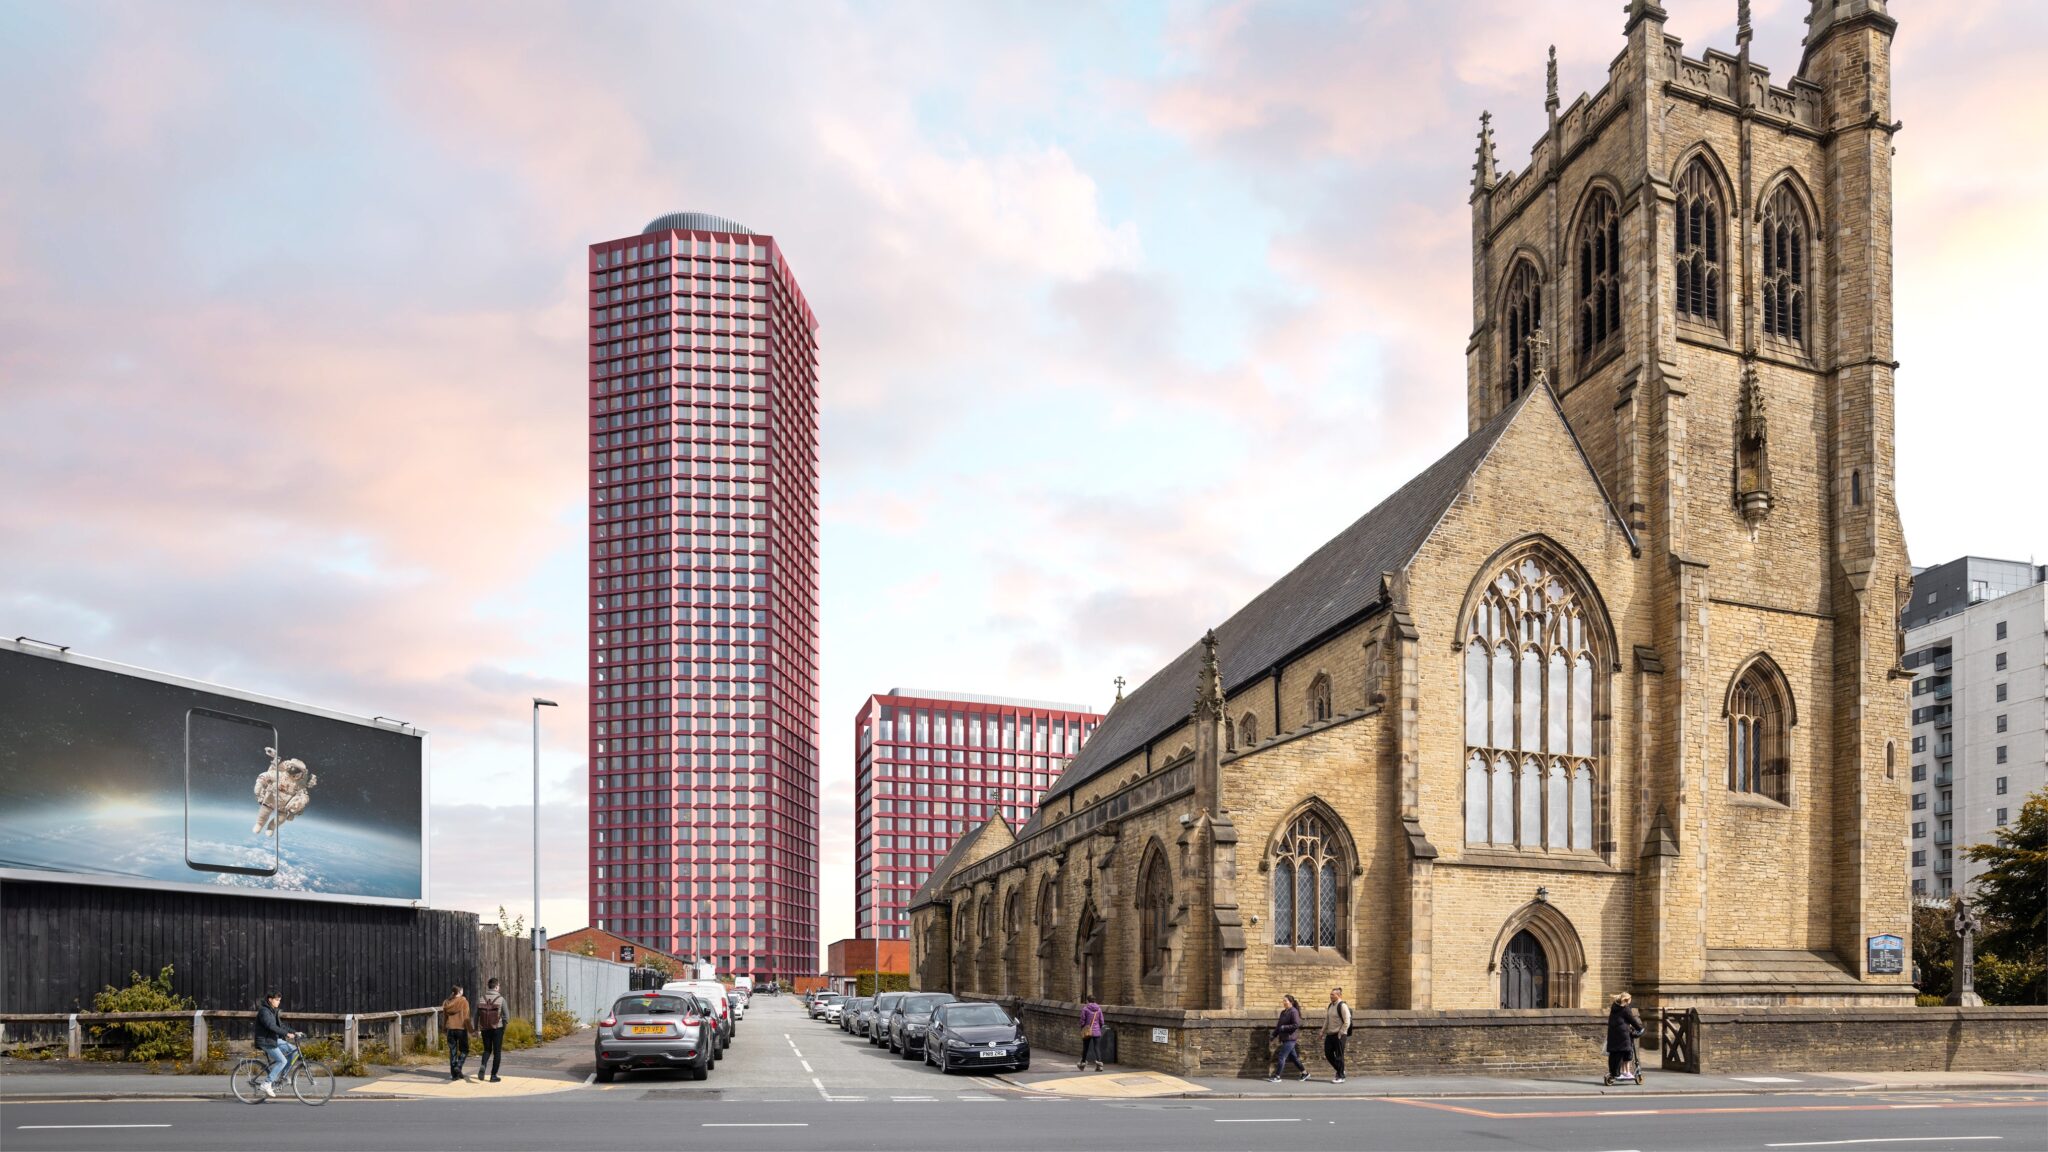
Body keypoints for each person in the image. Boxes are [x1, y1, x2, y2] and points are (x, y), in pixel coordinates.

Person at [254, 992, 303, 1099]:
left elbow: (281, 1026)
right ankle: (266, 1083)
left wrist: (295, 1032)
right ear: (270, 999)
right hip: (265, 1041)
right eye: (277, 1000)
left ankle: (282, 1077)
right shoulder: (264, 1011)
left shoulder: (273, 1011)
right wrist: (286, 1034)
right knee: (282, 1061)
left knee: (294, 1051)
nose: (278, 1002)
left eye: (279, 1000)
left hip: (273, 1039)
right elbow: (271, 1026)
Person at [1605, 991, 1644, 1085]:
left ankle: (1616, 1072)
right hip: (1623, 1035)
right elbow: (1632, 1020)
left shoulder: (1614, 1008)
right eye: (1630, 999)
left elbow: (1620, 1020)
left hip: (1613, 1034)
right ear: (1627, 1000)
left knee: (1615, 1053)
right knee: (1625, 1052)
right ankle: (1623, 1073)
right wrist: (1640, 1028)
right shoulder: (1625, 1009)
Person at [475, 977, 510, 1083]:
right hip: (497, 1028)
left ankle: (483, 1065)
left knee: (487, 1050)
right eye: (498, 986)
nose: (499, 987)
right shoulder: (501, 999)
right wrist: (504, 1027)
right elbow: (506, 1017)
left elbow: (476, 1016)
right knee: (497, 1052)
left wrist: (476, 1028)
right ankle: (493, 1075)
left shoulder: (482, 998)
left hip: (485, 1028)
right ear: (495, 987)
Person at [1268, 994, 1308, 1083]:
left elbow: (1296, 1025)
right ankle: (1305, 1073)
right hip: (1285, 1038)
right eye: (1283, 1001)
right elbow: (1279, 1026)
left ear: (1291, 1002)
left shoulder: (1294, 1011)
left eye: (1285, 1001)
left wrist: (1284, 1027)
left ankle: (1277, 1076)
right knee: (1294, 1058)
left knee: (1282, 1056)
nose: (1284, 1002)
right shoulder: (1283, 1012)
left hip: (1290, 1038)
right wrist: (1274, 1035)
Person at [442, 983, 473, 1082]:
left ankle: (454, 1075)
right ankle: (459, 1066)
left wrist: (444, 1028)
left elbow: (445, 1018)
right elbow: (466, 1018)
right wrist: (471, 1031)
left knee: (453, 1052)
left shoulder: (447, 1002)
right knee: (465, 1050)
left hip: (450, 1029)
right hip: (461, 1029)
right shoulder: (464, 1001)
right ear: (460, 991)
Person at [1323, 986, 1353, 1085]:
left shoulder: (1342, 1006)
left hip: (1339, 1035)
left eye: (1332, 994)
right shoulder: (1330, 1005)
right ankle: (1341, 1070)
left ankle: (1341, 1076)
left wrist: (1341, 1032)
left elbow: (1347, 1021)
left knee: (1339, 1056)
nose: (1330, 996)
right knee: (1328, 1053)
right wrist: (1322, 1031)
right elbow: (1327, 1019)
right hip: (1330, 1034)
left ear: (1339, 995)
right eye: (1330, 994)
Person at [1077, 995, 1106, 1071]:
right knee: (1096, 1048)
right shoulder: (1099, 1009)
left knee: (1085, 1048)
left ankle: (1082, 1064)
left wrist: (1083, 1028)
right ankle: (1099, 1065)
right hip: (1096, 1031)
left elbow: (1082, 1021)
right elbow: (1102, 1021)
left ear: (1088, 1000)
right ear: (1094, 1000)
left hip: (1087, 1031)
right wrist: (1098, 1028)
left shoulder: (1085, 1009)